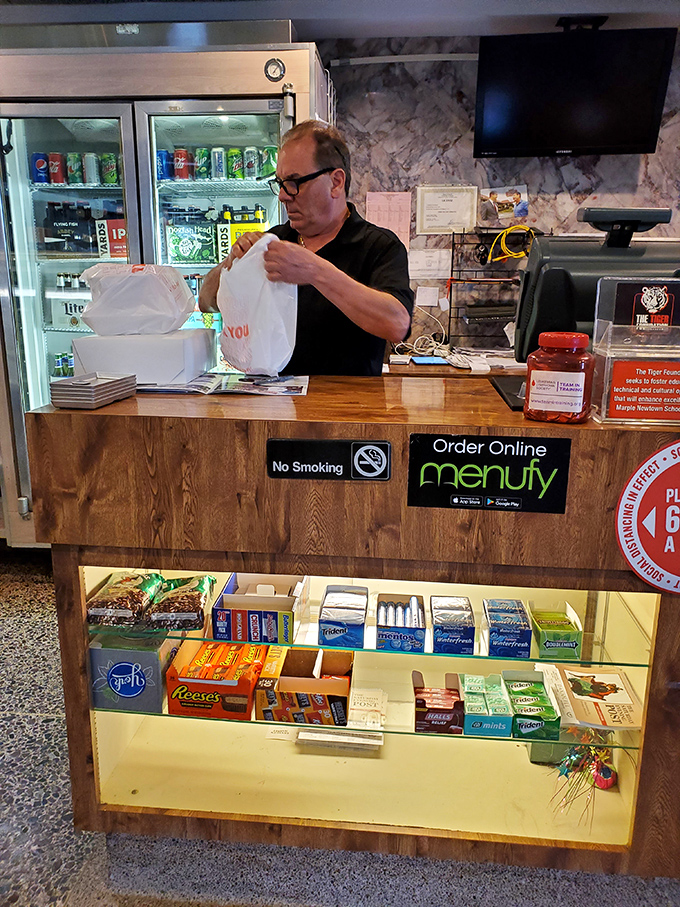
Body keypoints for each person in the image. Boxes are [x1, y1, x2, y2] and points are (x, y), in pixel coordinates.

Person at [199, 121, 413, 376]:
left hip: (348, 410)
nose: (283, 195)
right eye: (279, 182)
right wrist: (232, 261)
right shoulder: (273, 241)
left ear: (336, 182)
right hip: (271, 408)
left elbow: (397, 324)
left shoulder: (379, 246)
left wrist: (315, 270)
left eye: (294, 182)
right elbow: (206, 302)